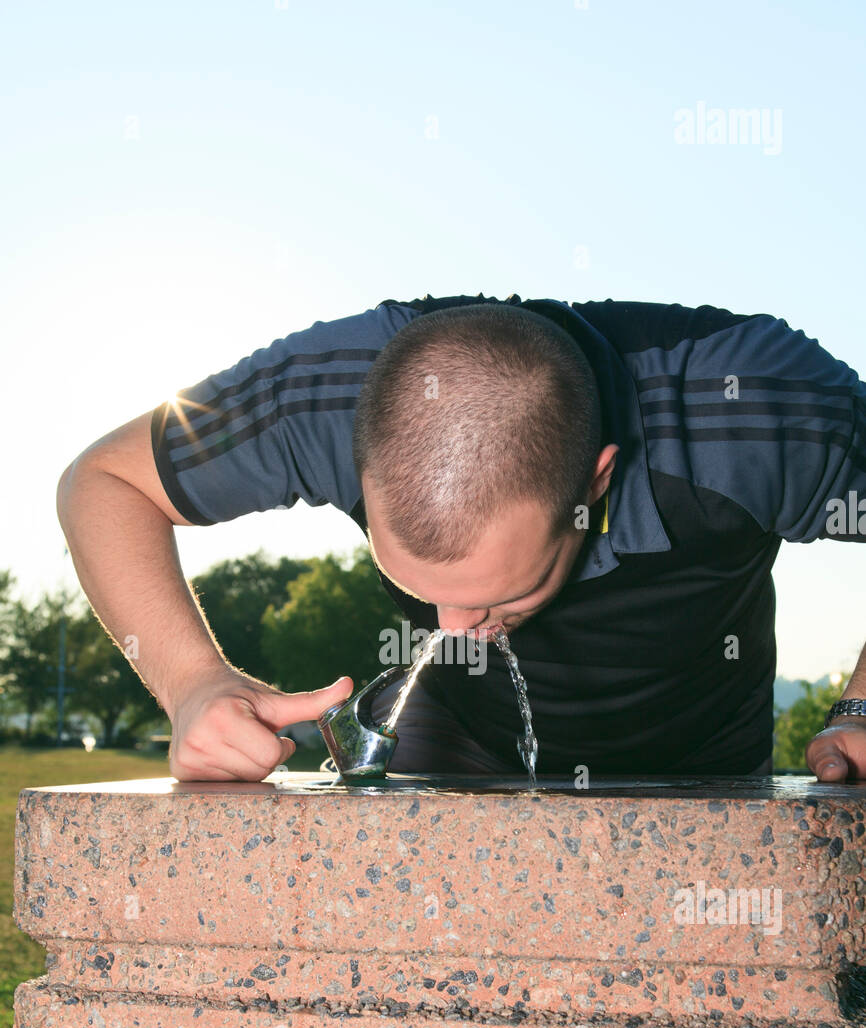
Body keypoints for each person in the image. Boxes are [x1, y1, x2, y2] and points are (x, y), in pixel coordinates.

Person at [57, 293, 866, 782]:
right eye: (417, 584)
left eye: (496, 594)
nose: (448, 630)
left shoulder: (754, 407)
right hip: (456, 745)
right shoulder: (332, 392)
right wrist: (192, 682)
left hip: (699, 759)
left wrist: (860, 706)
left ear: (596, 481)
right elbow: (105, 483)